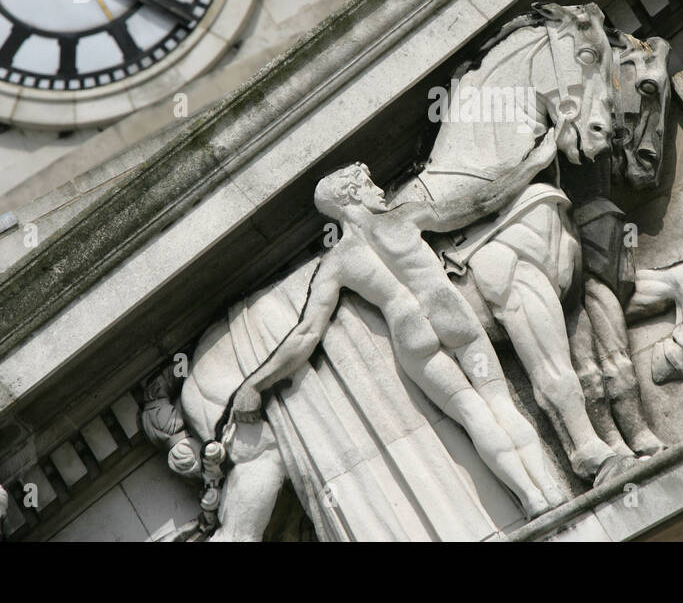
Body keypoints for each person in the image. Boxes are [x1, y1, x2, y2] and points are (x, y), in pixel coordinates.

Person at [229, 130, 568, 519]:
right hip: (451, 316)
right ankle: (553, 491)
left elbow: (306, 334)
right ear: (351, 194)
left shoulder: (337, 263)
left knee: (473, 415)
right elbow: (483, 202)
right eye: (369, 185)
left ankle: (533, 500)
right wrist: (536, 162)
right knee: (499, 402)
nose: (378, 191)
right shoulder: (405, 216)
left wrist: (254, 384)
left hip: (412, 335)